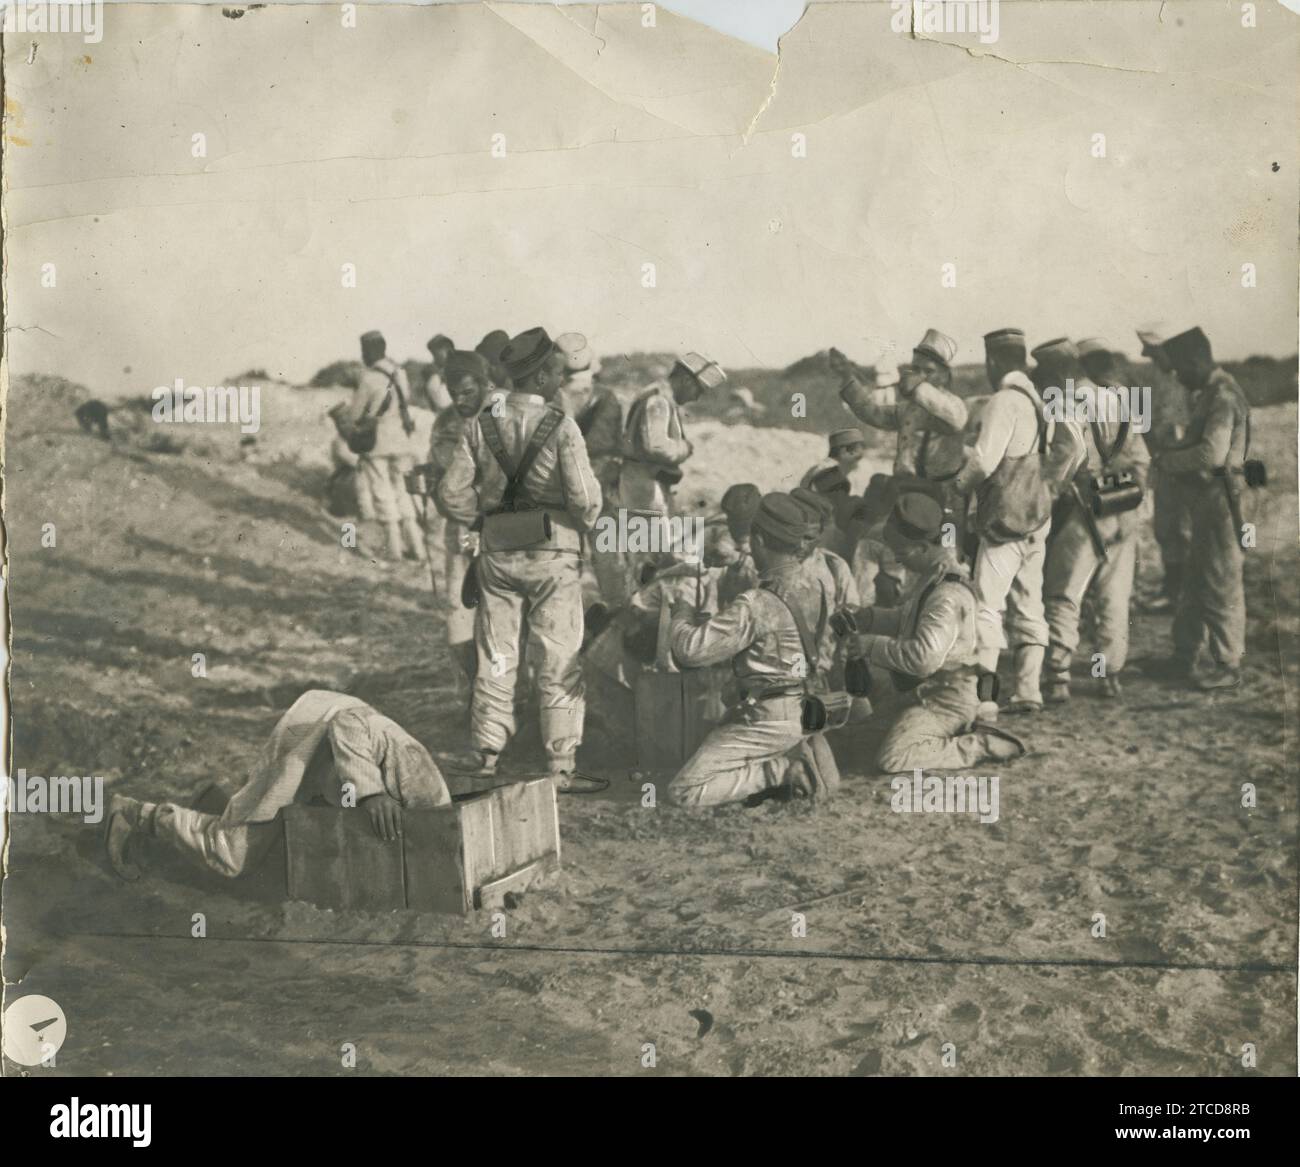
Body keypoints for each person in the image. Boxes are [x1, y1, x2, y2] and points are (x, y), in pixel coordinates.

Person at [437, 326, 603, 785]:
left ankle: (487, 753)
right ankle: (560, 763)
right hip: (553, 554)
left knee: (496, 652)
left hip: (497, 553)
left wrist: (484, 519)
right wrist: (575, 526)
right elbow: (586, 499)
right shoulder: (562, 426)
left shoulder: (478, 424)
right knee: (558, 654)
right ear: (544, 375)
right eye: (555, 369)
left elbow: (451, 493)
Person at [103, 691, 451, 881]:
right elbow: (349, 722)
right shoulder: (418, 780)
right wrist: (371, 793)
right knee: (233, 856)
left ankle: (216, 807)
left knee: (294, 836)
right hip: (313, 734)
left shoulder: (434, 800)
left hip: (333, 754)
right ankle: (137, 815)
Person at [666, 494, 840, 808]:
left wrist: (681, 609)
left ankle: (782, 770)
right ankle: (793, 751)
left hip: (765, 719)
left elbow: (689, 651)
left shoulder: (758, 603)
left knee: (684, 790)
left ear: (758, 540)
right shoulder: (817, 584)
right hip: (804, 707)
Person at [953, 330, 1084, 719]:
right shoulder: (1040, 399)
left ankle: (985, 699)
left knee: (987, 607)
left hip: (1004, 518)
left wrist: (958, 489)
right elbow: (1074, 448)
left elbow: (983, 460)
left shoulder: (1004, 401)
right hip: (1037, 515)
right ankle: (1029, 690)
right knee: (1030, 603)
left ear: (993, 362)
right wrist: (1052, 484)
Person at [854, 495, 1026, 773]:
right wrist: (871, 618)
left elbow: (923, 659)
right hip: (931, 687)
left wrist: (869, 645)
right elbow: (909, 620)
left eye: (901, 552)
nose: (896, 558)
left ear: (922, 547)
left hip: (947, 696)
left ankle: (979, 744)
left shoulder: (946, 594)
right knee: (866, 721)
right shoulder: (936, 575)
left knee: (893, 757)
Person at [1042, 342, 1150, 702]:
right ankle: (1108, 676)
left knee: (1064, 593)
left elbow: (1064, 458)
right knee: (1113, 597)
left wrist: (1047, 496)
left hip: (1081, 508)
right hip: (1122, 508)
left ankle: (1058, 676)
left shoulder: (1068, 401)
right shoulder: (1123, 401)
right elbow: (1140, 462)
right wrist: (1127, 499)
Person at [1151, 326, 1252, 690]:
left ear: (1196, 360)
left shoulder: (1223, 395)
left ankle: (1227, 665)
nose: (1177, 375)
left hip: (1223, 498)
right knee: (1195, 583)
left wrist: (1167, 461)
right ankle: (1184, 656)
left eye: (1180, 367)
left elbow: (1213, 454)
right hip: (1208, 500)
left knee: (1220, 583)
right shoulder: (1210, 393)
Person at [426, 350, 492, 682]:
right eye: (454, 394)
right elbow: (438, 470)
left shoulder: (500, 416)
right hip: (461, 527)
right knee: (458, 609)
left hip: (498, 530)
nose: (461, 400)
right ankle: (470, 689)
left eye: (468, 392)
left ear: (484, 384)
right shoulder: (446, 421)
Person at [829, 329, 968, 486]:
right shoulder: (908, 409)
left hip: (944, 492)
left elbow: (956, 419)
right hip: (907, 487)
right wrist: (847, 376)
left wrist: (918, 387)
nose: (920, 375)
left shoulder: (955, 406)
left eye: (928, 371)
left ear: (944, 375)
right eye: (915, 369)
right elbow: (873, 413)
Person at [338, 330, 425, 562]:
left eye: (364, 351)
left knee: (381, 492)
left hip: (377, 443)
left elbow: (356, 414)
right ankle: (417, 547)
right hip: (402, 441)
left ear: (369, 351)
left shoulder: (368, 378)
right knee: (403, 492)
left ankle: (394, 549)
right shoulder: (401, 373)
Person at [1135, 324, 1194, 614]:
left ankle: (1183, 591)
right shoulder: (1160, 379)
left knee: (1182, 528)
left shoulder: (1187, 381)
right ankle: (1173, 591)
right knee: (1166, 528)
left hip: (1184, 467)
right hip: (1165, 463)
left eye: (1154, 353)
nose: (1150, 358)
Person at [799, 427, 868, 491]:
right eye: (857, 458)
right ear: (844, 451)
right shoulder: (828, 475)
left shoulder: (825, 469)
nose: (856, 465)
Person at [423, 334, 455, 412]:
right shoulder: (434, 373)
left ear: (447, 349)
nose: (434, 359)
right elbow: (440, 403)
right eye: (433, 355)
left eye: (436, 354)